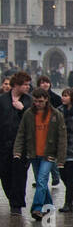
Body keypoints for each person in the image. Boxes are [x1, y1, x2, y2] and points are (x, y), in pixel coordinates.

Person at [12, 81, 67, 220]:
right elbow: (21, 133)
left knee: (42, 181)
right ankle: (49, 206)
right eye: (35, 101)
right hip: (33, 154)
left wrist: (60, 159)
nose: (38, 104)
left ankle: (36, 208)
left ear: (46, 100)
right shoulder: (29, 114)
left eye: (41, 101)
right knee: (41, 182)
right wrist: (17, 151)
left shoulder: (56, 115)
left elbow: (62, 138)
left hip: (48, 155)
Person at [0, 70, 33, 213]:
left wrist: (23, 109)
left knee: (20, 175)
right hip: (3, 144)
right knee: (5, 174)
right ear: (16, 85)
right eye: (25, 84)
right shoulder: (2, 100)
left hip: (21, 145)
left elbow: (33, 120)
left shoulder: (29, 101)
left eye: (28, 84)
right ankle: (12, 198)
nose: (27, 87)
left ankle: (17, 204)